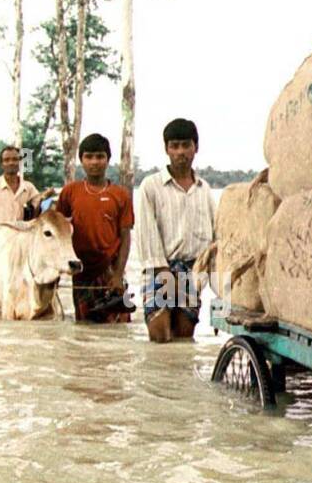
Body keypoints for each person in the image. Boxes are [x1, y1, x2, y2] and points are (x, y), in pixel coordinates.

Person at [133, 119, 217, 343]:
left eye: (186, 145)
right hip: (159, 269)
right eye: (175, 146)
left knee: (184, 341)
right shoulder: (150, 186)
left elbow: (214, 238)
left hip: (192, 271)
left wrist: (208, 279)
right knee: (160, 339)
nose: (181, 152)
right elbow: (146, 234)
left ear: (195, 147)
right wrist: (165, 274)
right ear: (166, 149)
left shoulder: (205, 190)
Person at [57, 134, 135, 324]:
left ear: (108, 159)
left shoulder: (120, 195)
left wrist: (118, 275)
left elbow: (125, 237)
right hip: (81, 272)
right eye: (89, 157)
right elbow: (59, 230)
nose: (94, 162)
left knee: (118, 327)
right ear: (81, 159)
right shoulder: (70, 192)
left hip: (110, 271)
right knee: (84, 330)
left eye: (100, 157)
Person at [0, 146, 46, 272]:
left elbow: (39, 213)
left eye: (15, 159)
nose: (11, 163)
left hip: (22, 249)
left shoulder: (28, 188)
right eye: (7, 160)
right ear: (1, 164)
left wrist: (44, 198)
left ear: (20, 162)